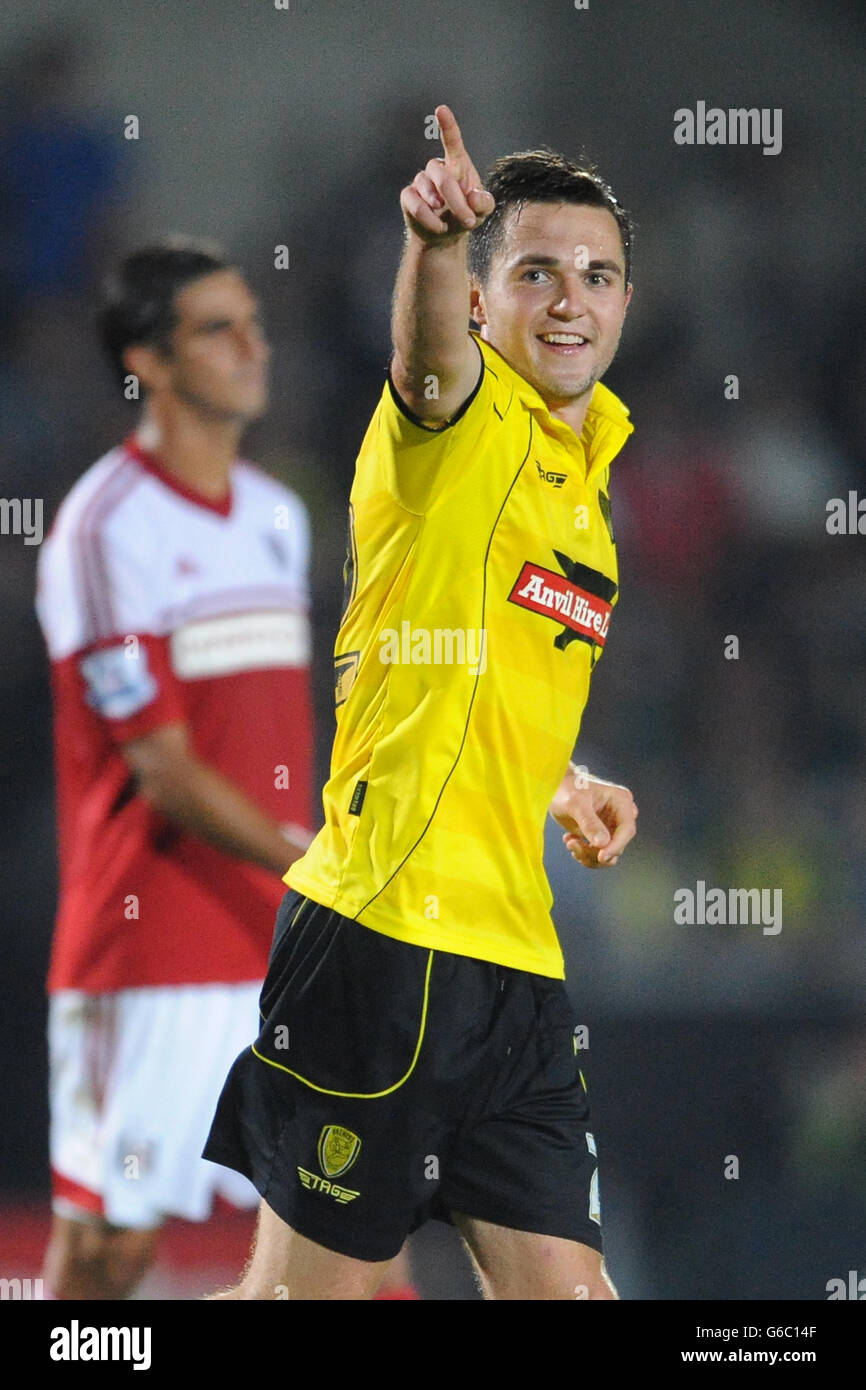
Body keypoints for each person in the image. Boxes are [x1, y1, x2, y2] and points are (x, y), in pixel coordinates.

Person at [204, 104, 639, 1301]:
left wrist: (564, 779)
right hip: (386, 938)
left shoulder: (587, 487)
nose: (568, 299)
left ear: (623, 304)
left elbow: (480, 680)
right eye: (536, 270)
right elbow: (424, 361)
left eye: (596, 275)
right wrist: (433, 242)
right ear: (486, 301)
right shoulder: (453, 417)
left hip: (516, 967)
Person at [34, 238, 317, 1299]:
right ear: (146, 361)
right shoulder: (105, 529)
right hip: (146, 950)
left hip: (276, 945)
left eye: (253, 320)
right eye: (217, 327)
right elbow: (163, 767)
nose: (254, 345)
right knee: (110, 1256)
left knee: (347, 1241)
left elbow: (276, 737)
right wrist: (313, 863)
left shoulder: (279, 519)